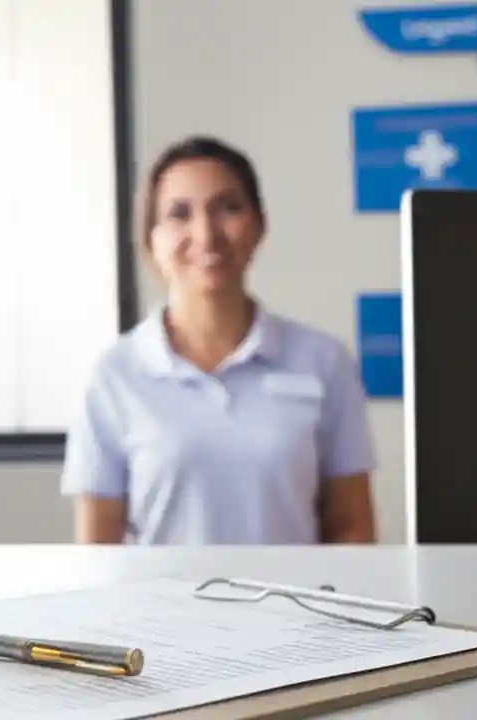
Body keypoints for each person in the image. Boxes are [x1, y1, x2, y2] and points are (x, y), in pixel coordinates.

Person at [61, 135, 377, 545]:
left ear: (259, 225)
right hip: (159, 609)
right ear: (150, 239)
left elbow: (351, 527)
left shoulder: (323, 361)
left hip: (293, 609)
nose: (206, 233)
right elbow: (97, 548)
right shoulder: (115, 375)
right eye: (179, 214)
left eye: (227, 208)